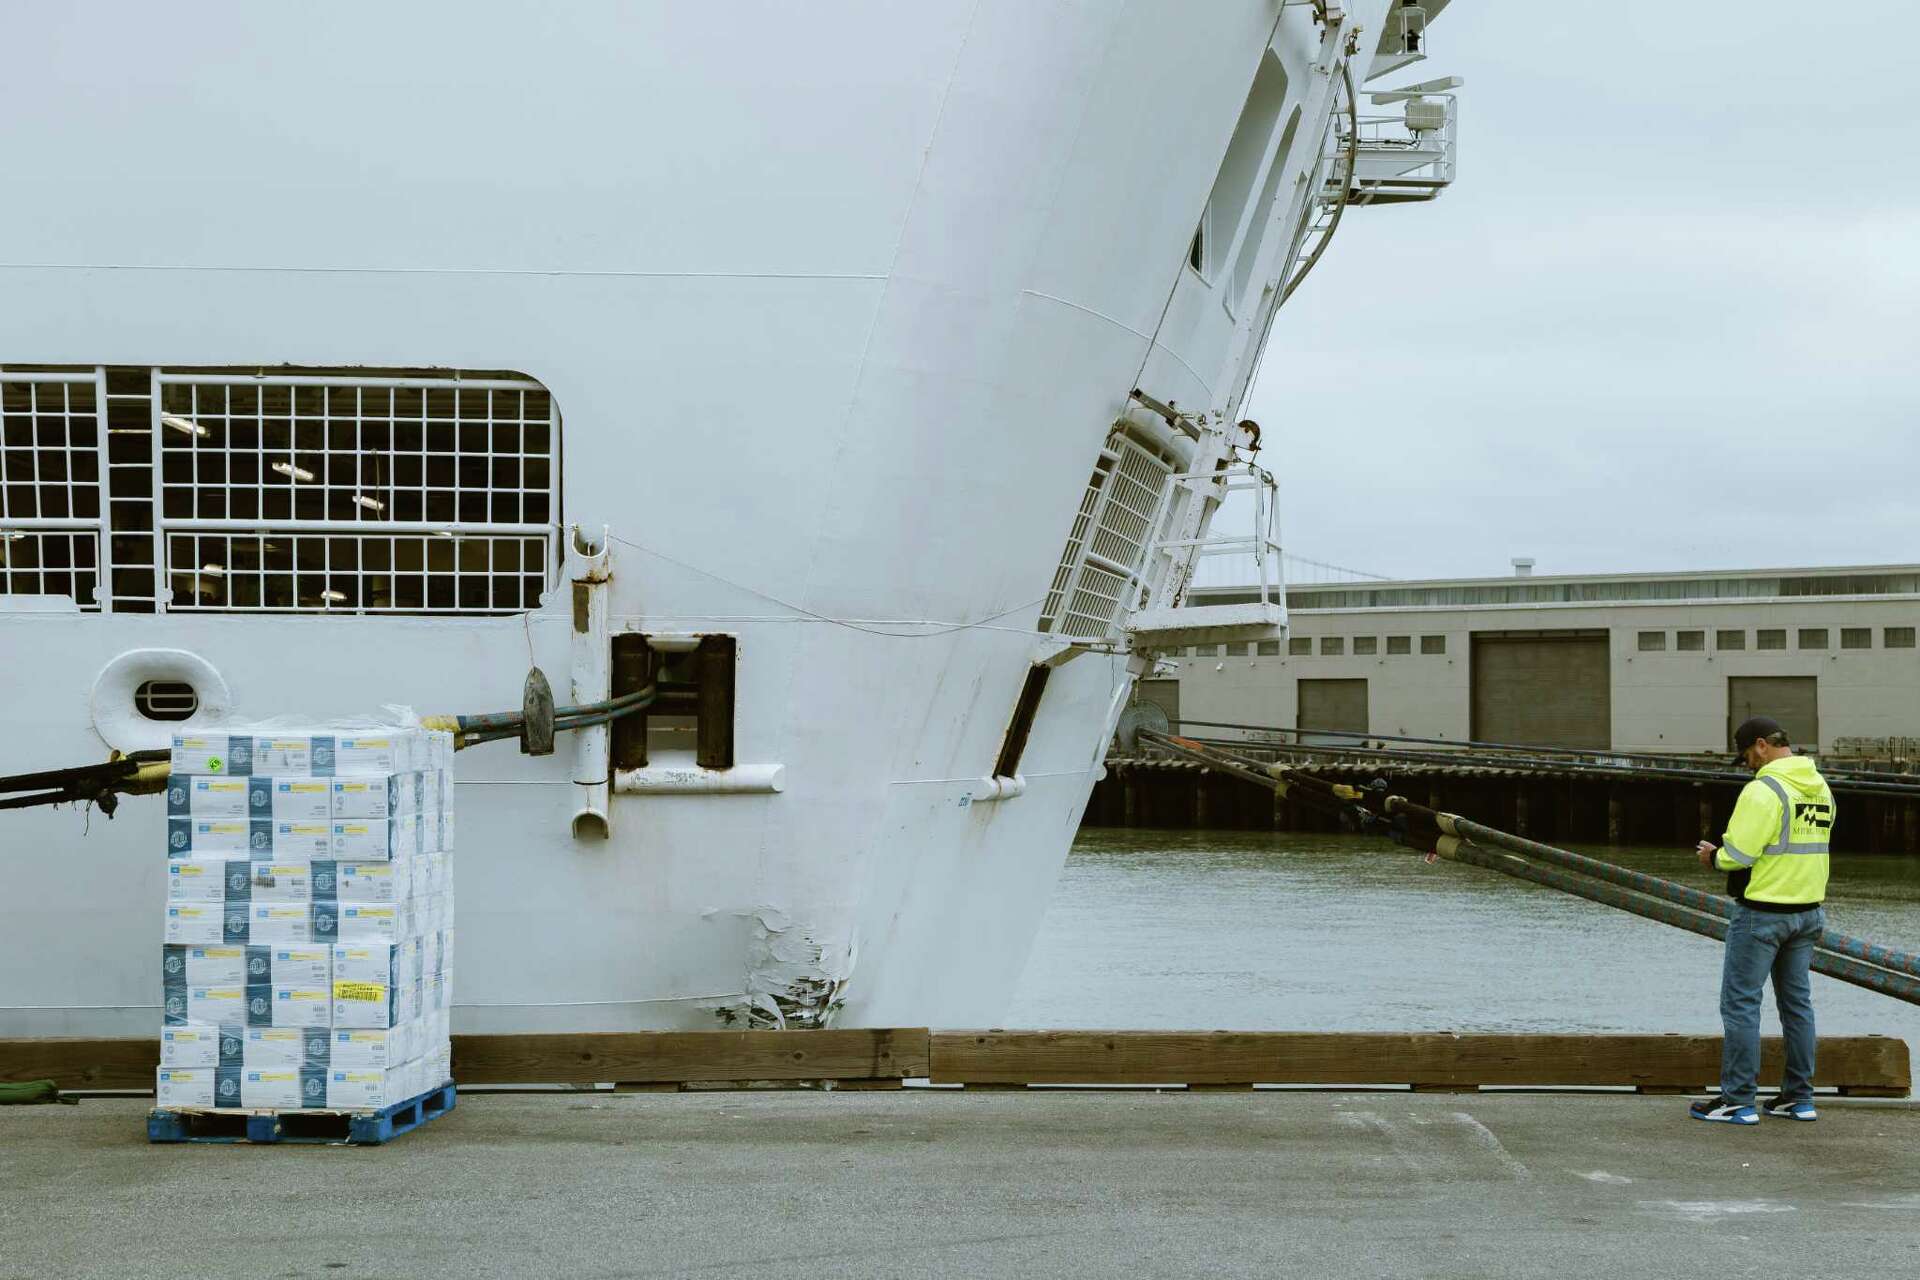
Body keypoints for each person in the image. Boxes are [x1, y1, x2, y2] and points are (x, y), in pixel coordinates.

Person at [1689, 716, 1833, 1125]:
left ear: (1760, 745)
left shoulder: (1763, 789)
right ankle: (1798, 1098)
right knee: (1798, 1007)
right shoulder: (1819, 786)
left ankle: (1737, 1101)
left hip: (1763, 913)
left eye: (1747, 755)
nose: (1748, 763)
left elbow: (1740, 854)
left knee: (1740, 1006)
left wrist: (1713, 857)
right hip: (1807, 912)